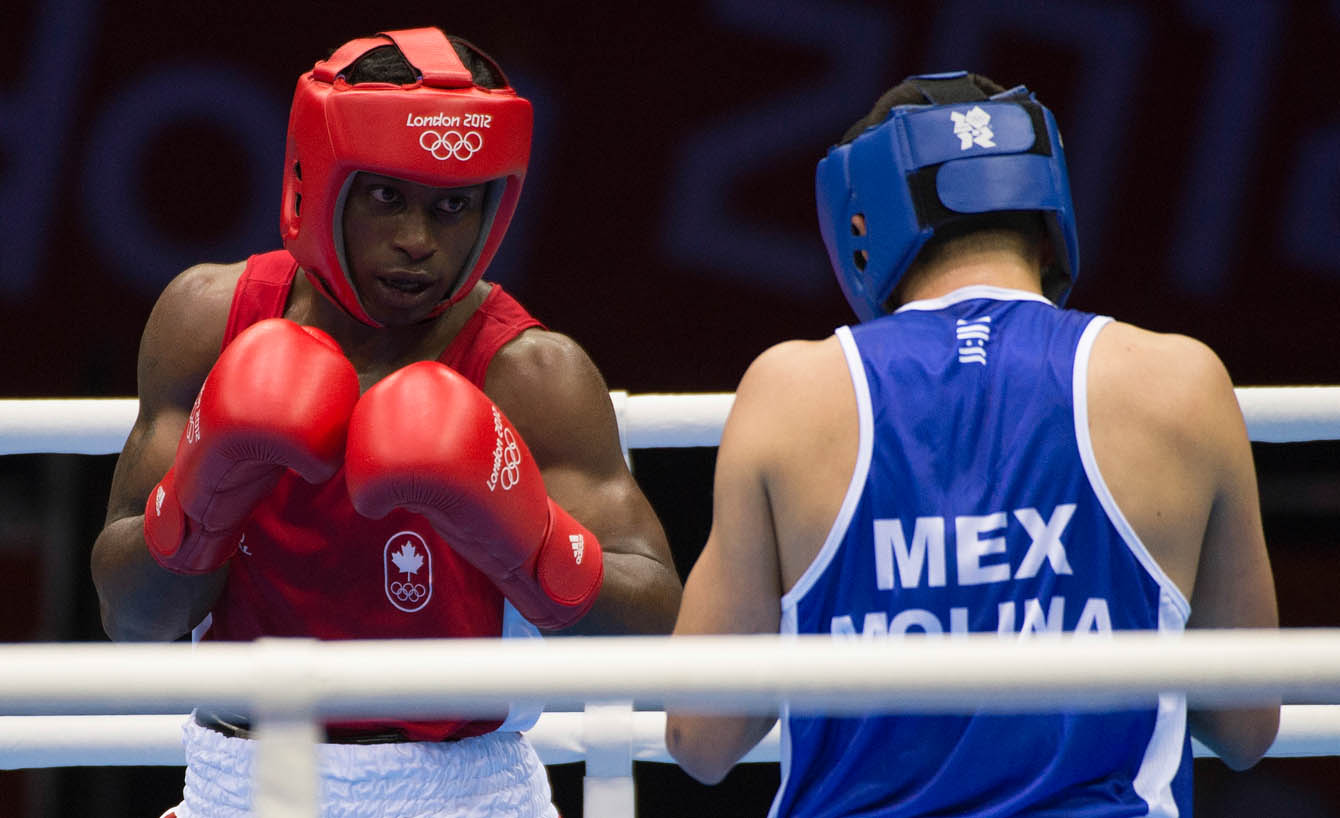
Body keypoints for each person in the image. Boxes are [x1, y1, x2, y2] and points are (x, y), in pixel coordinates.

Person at [90, 27, 681, 818]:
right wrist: (205, 493)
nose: (417, 242)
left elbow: (660, 633)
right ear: (320, 180)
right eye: (386, 196)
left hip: (465, 793)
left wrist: (529, 543)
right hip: (242, 784)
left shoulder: (531, 375)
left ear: (493, 208)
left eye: (452, 206)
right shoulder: (209, 320)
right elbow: (132, 622)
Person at [664, 71, 1279, 817]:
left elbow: (702, 738)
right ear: (1046, 211)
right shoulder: (1177, 380)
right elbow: (1246, 725)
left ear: (860, 220)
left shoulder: (793, 393)